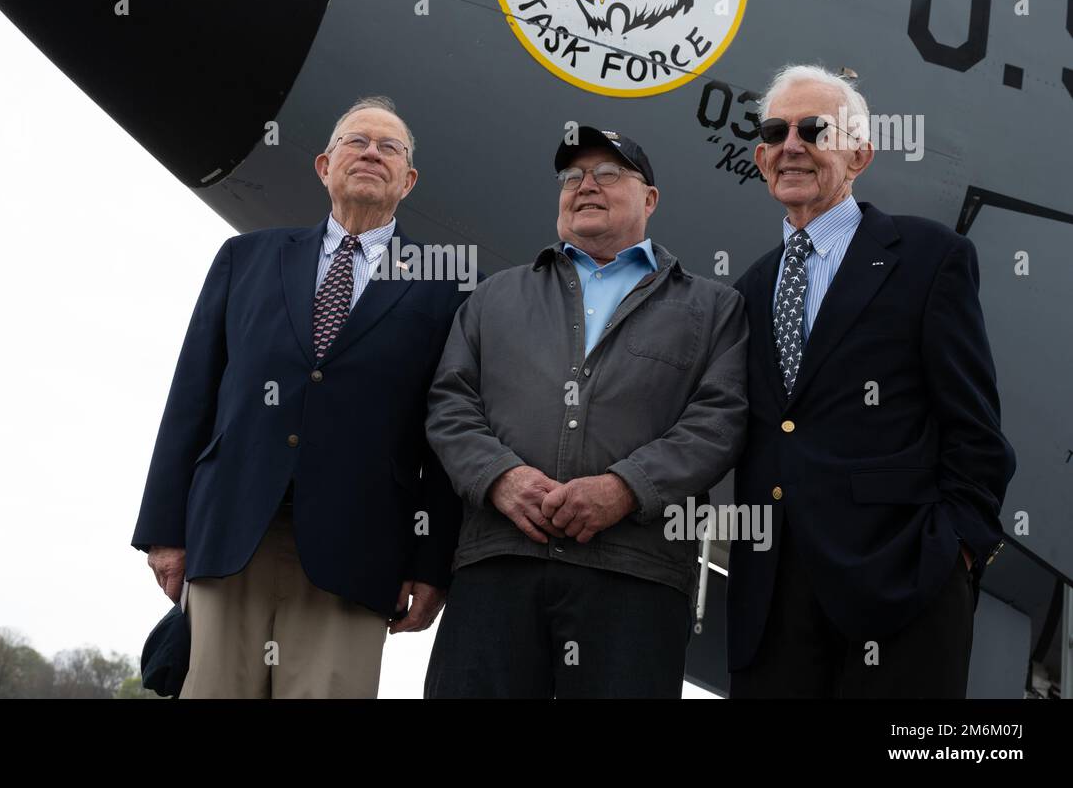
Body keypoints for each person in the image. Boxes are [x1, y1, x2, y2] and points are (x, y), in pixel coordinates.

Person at [131, 96, 467, 697]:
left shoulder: (449, 290)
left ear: (409, 180)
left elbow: (446, 437)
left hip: (358, 551)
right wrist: (163, 529)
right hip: (229, 533)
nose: (370, 153)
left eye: (389, 147)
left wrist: (428, 561)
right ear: (323, 165)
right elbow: (190, 398)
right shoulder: (246, 259)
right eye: (354, 142)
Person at [424, 126, 748, 697]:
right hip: (498, 564)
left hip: (634, 576)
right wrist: (499, 478)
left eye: (607, 174)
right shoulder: (493, 298)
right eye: (572, 177)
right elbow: (451, 404)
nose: (585, 186)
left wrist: (626, 488)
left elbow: (718, 421)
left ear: (649, 199)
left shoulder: (713, 308)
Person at [727, 64, 1015, 697]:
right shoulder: (746, 289)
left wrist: (955, 553)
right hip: (771, 604)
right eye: (776, 131)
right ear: (760, 156)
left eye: (814, 129)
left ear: (859, 153)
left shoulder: (929, 258)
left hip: (902, 589)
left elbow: (975, 429)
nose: (791, 144)